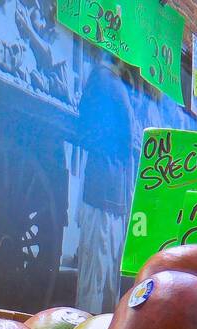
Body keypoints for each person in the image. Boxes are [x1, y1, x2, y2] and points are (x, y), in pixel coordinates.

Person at [73, 52, 134, 313]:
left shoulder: (107, 82)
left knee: (101, 278)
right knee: (97, 279)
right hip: (104, 191)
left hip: (108, 192)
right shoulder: (105, 81)